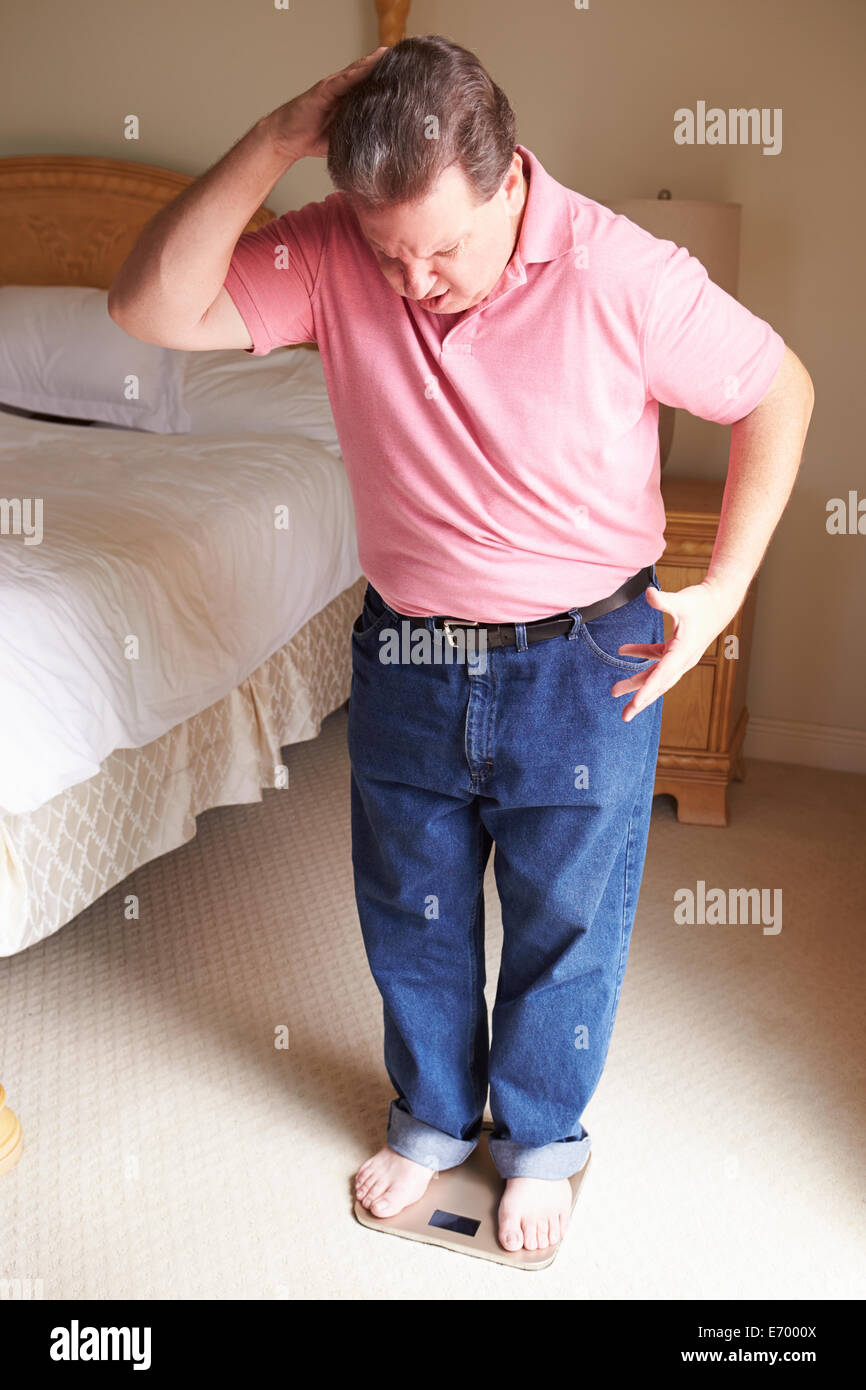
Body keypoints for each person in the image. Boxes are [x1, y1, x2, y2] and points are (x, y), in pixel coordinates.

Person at [108, 35, 814, 1255]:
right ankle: (433, 1114)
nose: (415, 280)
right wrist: (279, 135)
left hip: (583, 655)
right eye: (392, 253)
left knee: (564, 917)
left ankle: (540, 1138)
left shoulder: (621, 271)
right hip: (408, 651)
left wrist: (726, 587)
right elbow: (148, 305)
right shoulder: (336, 248)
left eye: (442, 247)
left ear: (508, 184)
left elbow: (779, 389)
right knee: (411, 907)